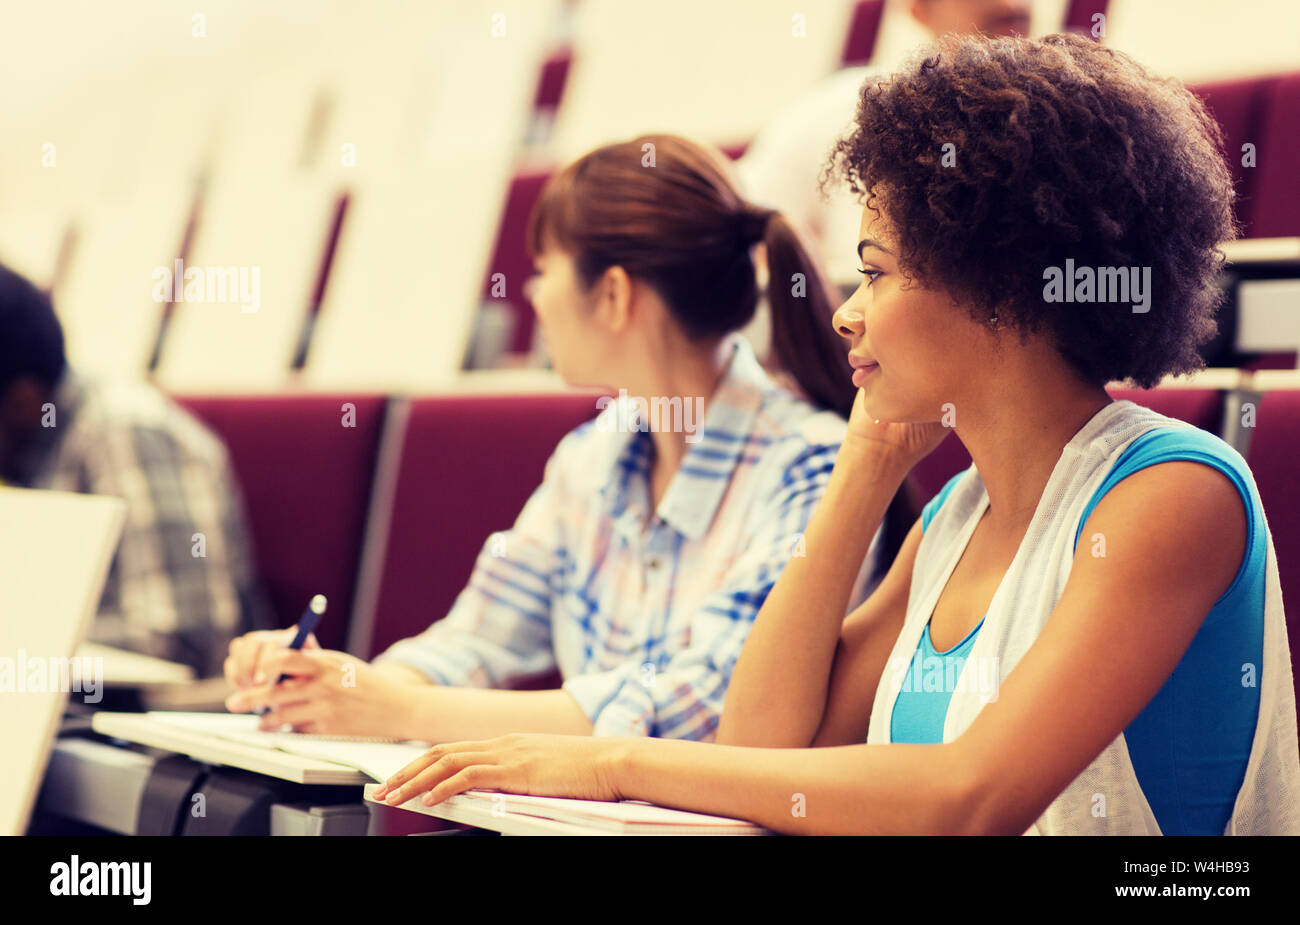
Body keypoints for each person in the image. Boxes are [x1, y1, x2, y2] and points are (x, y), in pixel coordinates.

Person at [375, 34, 1300, 836]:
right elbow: (764, 742)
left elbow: (966, 800)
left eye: (875, 273)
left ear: (999, 286)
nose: (847, 316)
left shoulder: (1175, 491)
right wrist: (864, 464)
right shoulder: (953, 519)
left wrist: (617, 761)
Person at [224, 135, 874, 743]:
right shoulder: (589, 457)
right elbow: (473, 642)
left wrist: (403, 708)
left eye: (544, 269)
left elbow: (713, 703)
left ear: (614, 295)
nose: (532, 294)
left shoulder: (809, 466)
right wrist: (330, 684)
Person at [0, 262, 262, 677]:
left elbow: (183, 637)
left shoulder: (125, 429)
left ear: (23, 399)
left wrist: (22, 644)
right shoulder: (28, 443)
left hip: (160, 721)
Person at [737, 0, 1032, 357]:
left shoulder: (1072, 129)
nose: (1013, 3)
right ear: (920, 8)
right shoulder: (835, 110)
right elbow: (739, 236)